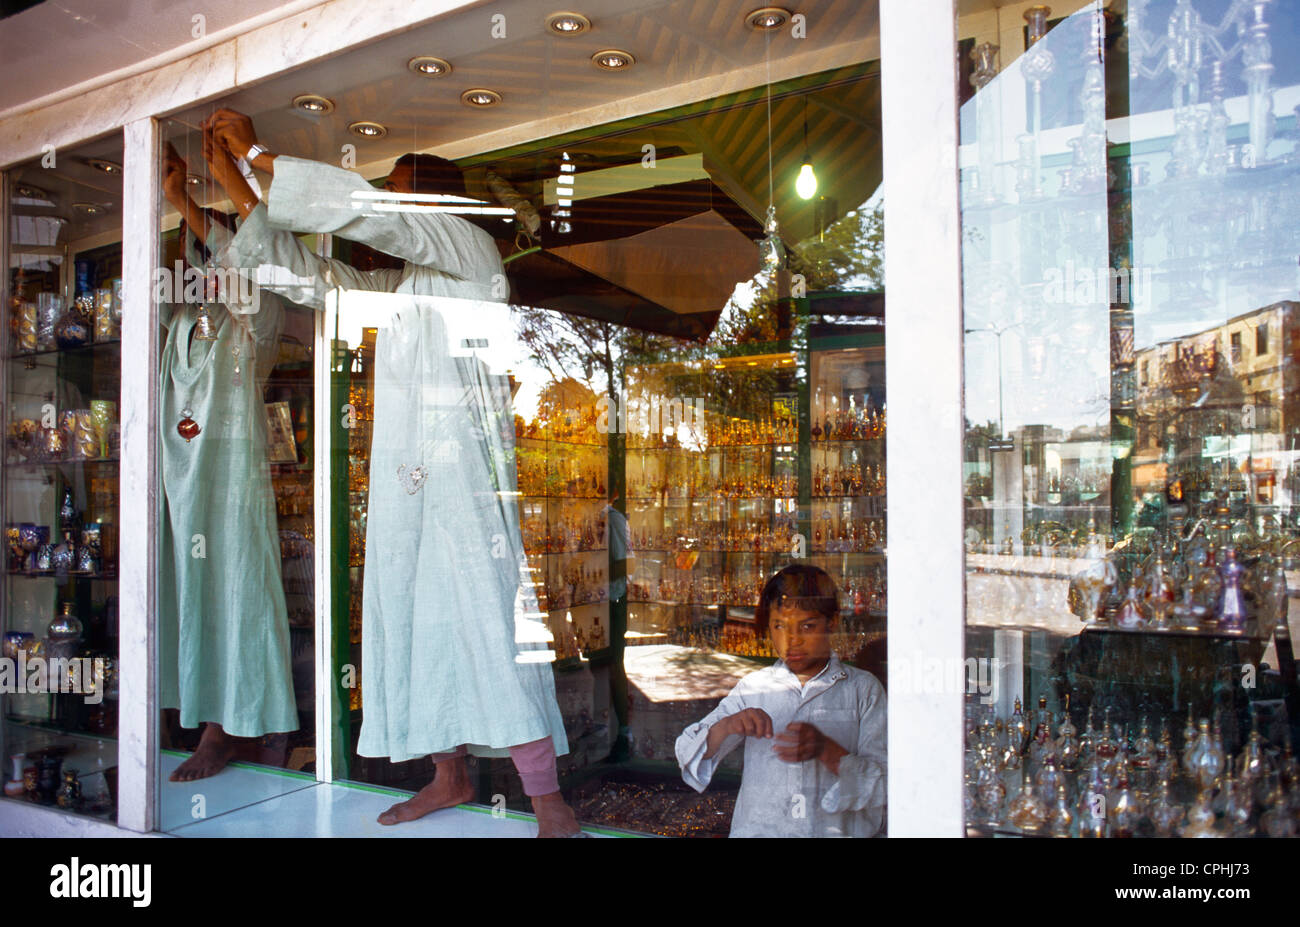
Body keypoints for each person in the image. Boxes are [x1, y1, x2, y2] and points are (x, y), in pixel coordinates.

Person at [199, 109, 581, 836]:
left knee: (488, 622)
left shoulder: (469, 248)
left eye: (402, 192)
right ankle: (449, 774)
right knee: (411, 618)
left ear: (434, 205)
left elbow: (377, 218)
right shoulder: (401, 286)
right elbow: (310, 279)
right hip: (409, 490)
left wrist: (257, 151)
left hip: (464, 485)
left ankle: (547, 796)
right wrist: (233, 179)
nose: (388, 203)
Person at [158, 141, 298, 781]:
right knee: (186, 596)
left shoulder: (258, 310)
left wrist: (204, 184)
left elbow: (251, 243)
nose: (207, 264)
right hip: (175, 480)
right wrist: (176, 196)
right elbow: (216, 250)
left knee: (238, 592)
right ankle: (195, 716)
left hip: (232, 481)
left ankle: (236, 724)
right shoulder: (185, 317)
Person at [675, 564, 887, 836]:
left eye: (807, 626)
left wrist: (828, 752)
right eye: (779, 626)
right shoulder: (754, 687)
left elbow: (887, 784)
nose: (792, 640)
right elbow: (686, 751)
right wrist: (728, 725)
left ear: (832, 623)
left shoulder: (862, 690)